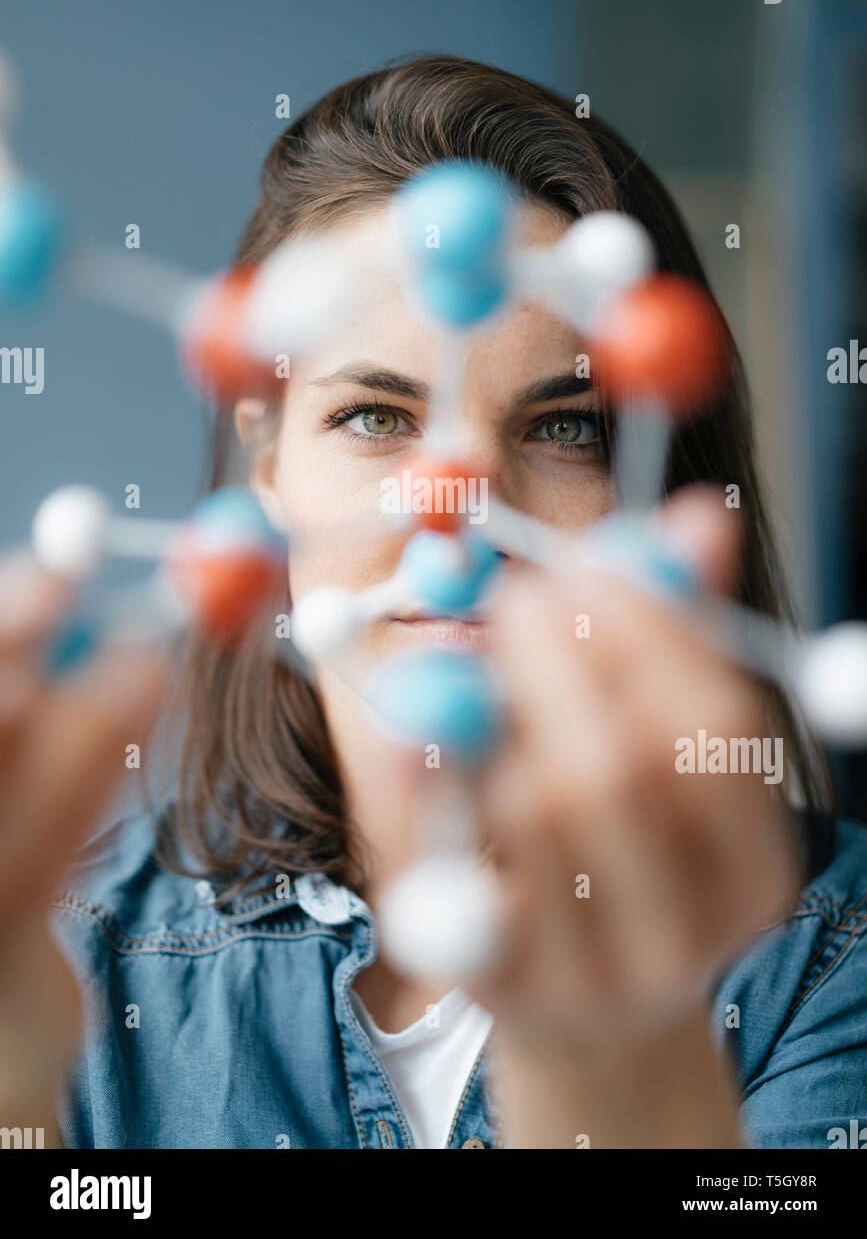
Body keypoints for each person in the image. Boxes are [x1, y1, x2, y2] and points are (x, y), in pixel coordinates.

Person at [2, 56, 865, 1150]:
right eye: (373, 415)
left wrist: (611, 1062)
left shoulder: (837, 963)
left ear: (655, 490)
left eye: (566, 426)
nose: (459, 506)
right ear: (264, 463)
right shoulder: (60, 965)